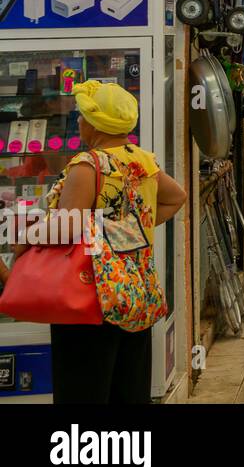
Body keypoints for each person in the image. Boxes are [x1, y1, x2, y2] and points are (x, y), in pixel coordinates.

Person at [3, 82, 186, 403]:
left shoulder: (88, 166)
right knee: (129, 390)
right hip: (134, 294)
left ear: (95, 123)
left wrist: (24, 239)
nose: (77, 121)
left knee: (83, 391)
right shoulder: (142, 161)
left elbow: (66, 227)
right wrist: (129, 228)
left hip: (89, 295)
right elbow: (176, 198)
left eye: (82, 116)